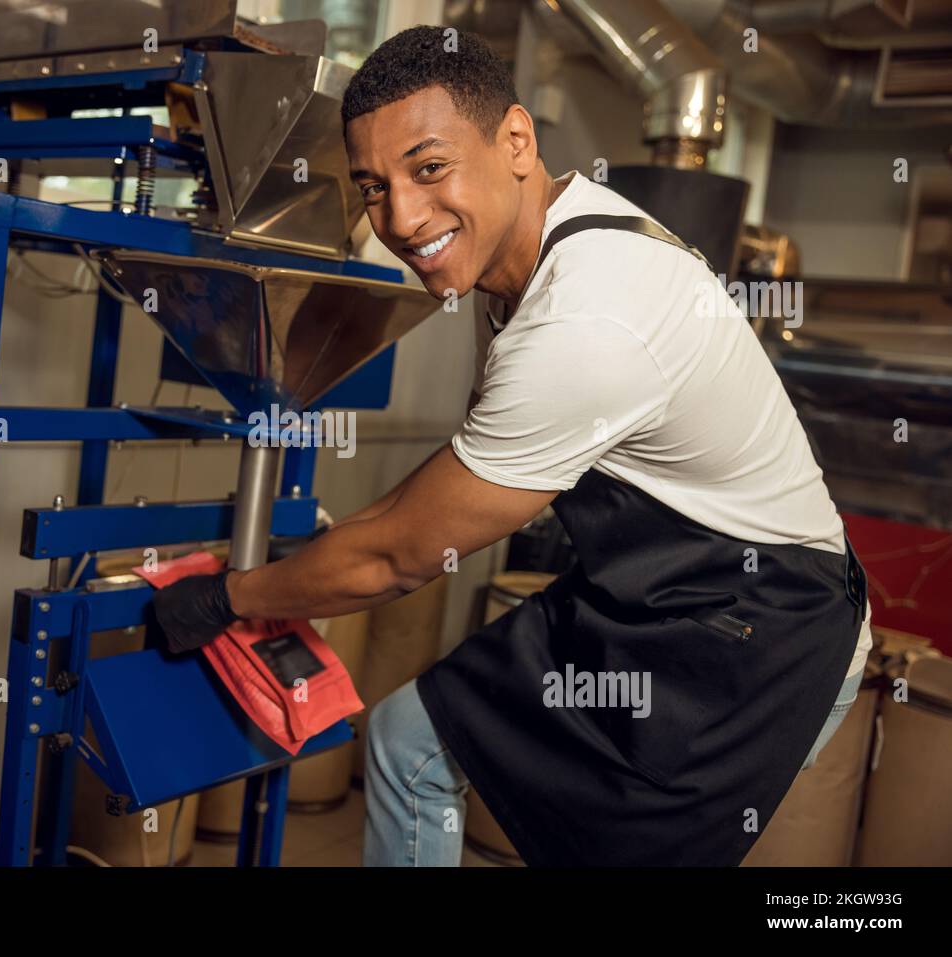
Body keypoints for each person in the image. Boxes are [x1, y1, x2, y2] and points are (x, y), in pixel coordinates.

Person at [152, 25, 872, 866]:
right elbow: (434, 494)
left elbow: (402, 556)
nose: (403, 217)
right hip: (649, 592)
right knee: (410, 741)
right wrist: (312, 558)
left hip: (757, 635)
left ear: (517, 140)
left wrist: (233, 597)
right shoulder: (542, 246)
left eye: (429, 168)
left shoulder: (586, 320)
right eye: (373, 187)